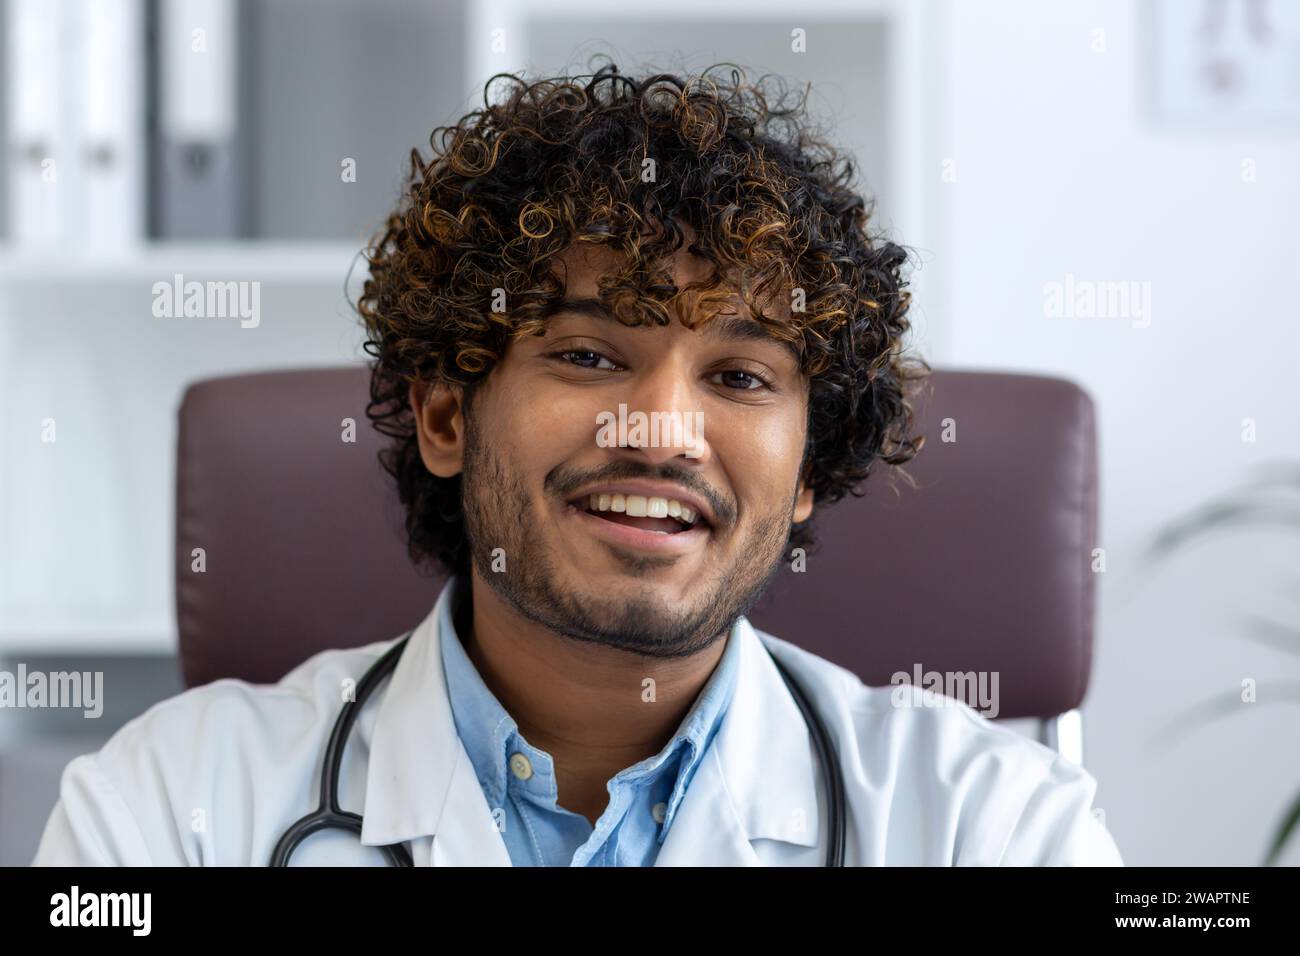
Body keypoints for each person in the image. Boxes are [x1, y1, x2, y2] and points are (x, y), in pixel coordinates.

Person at [33, 62, 1123, 866]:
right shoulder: (164, 812)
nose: (659, 430)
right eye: (591, 354)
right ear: (447, 414)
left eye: (739, 376)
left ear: (805, 470)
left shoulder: (996, 827)